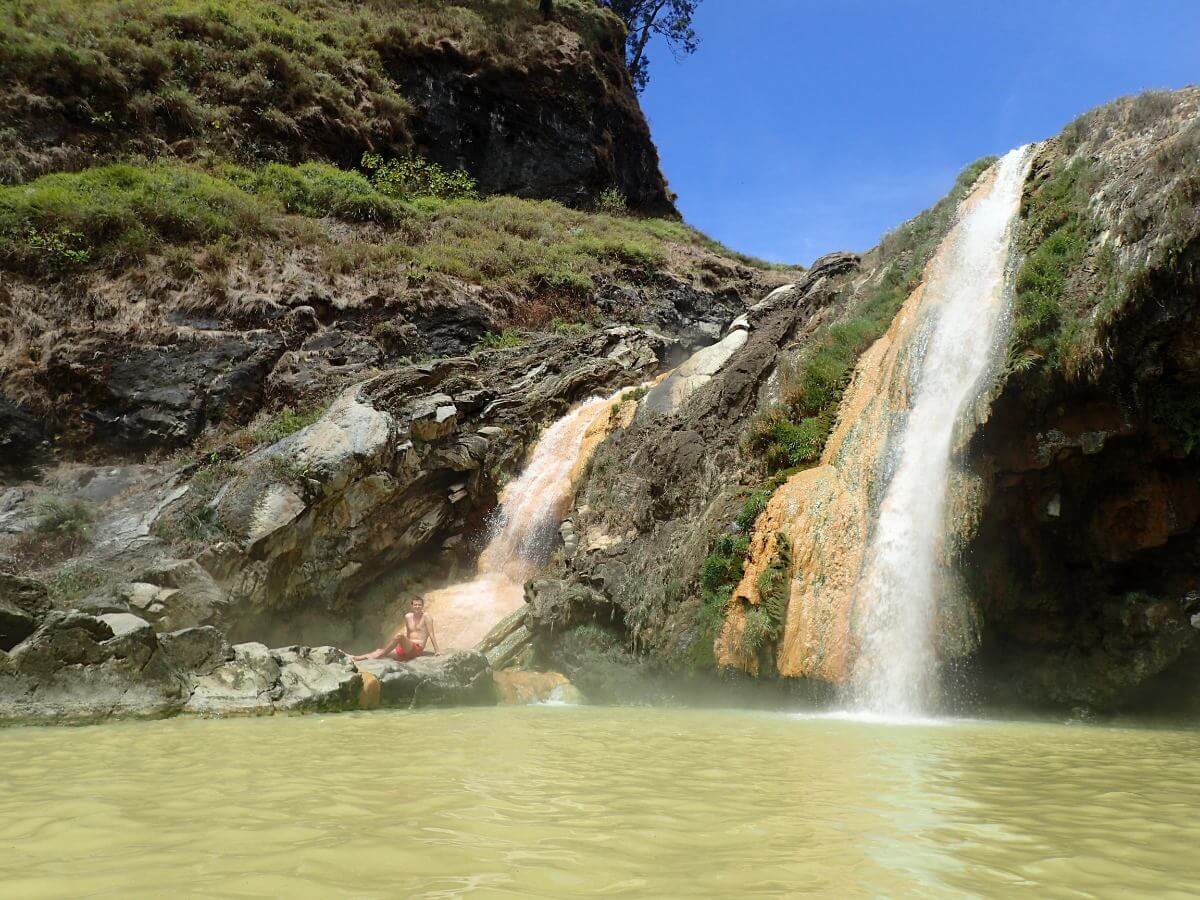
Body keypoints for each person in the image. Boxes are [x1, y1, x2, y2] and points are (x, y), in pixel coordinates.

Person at [352, 596, 440, 662]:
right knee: (379, 650)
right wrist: (403, 649)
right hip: (407, 648)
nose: (417, 607)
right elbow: (409, 634)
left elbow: (431, 634)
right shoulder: (408, 616)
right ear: (412, 606)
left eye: (419, 605)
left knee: (399, 636)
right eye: (415, 605)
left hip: (416, 649)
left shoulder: (426, 617)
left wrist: (437, 651)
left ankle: (379, 655)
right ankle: (359, 658)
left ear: (422, 606)